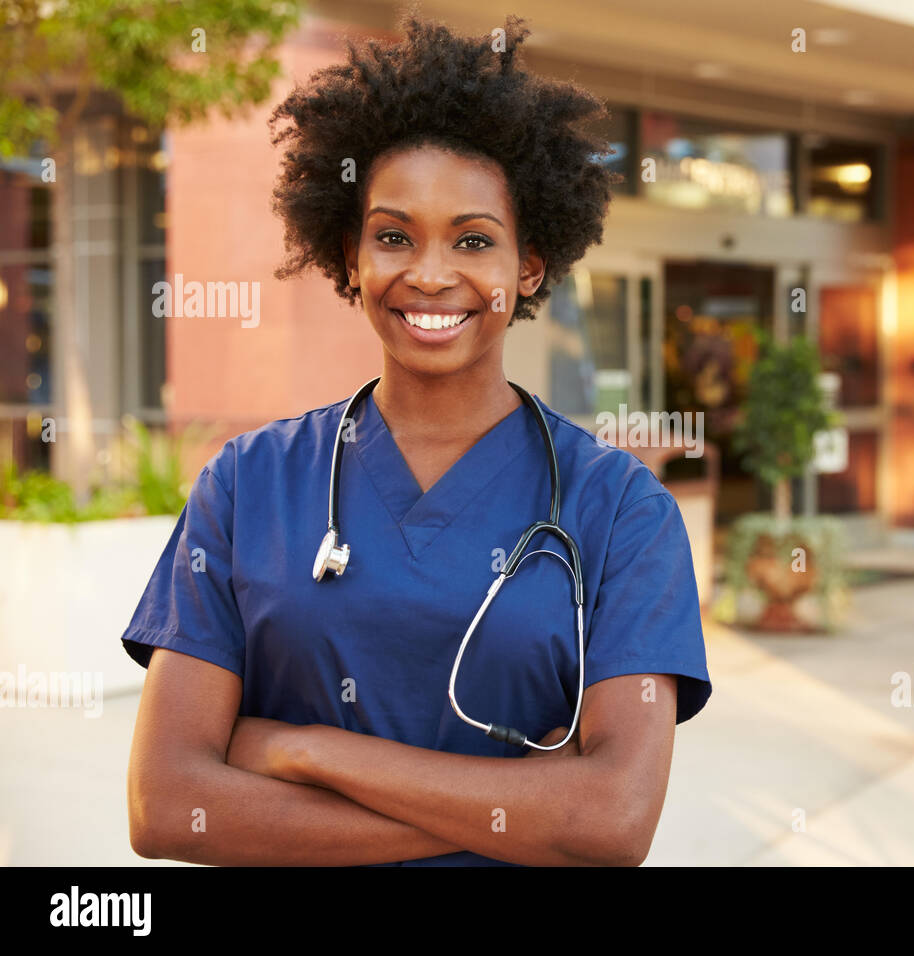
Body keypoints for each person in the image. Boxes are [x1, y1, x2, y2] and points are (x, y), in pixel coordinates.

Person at [121, 14, 711, 867]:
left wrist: (306, 751)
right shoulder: (247, 485)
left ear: (529, 267)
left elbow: (612, 821)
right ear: (350, 256)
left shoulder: (622, 511)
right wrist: (527, 807)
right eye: (393, 235)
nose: (430, 274)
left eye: (475, 240)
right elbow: (169, 805)